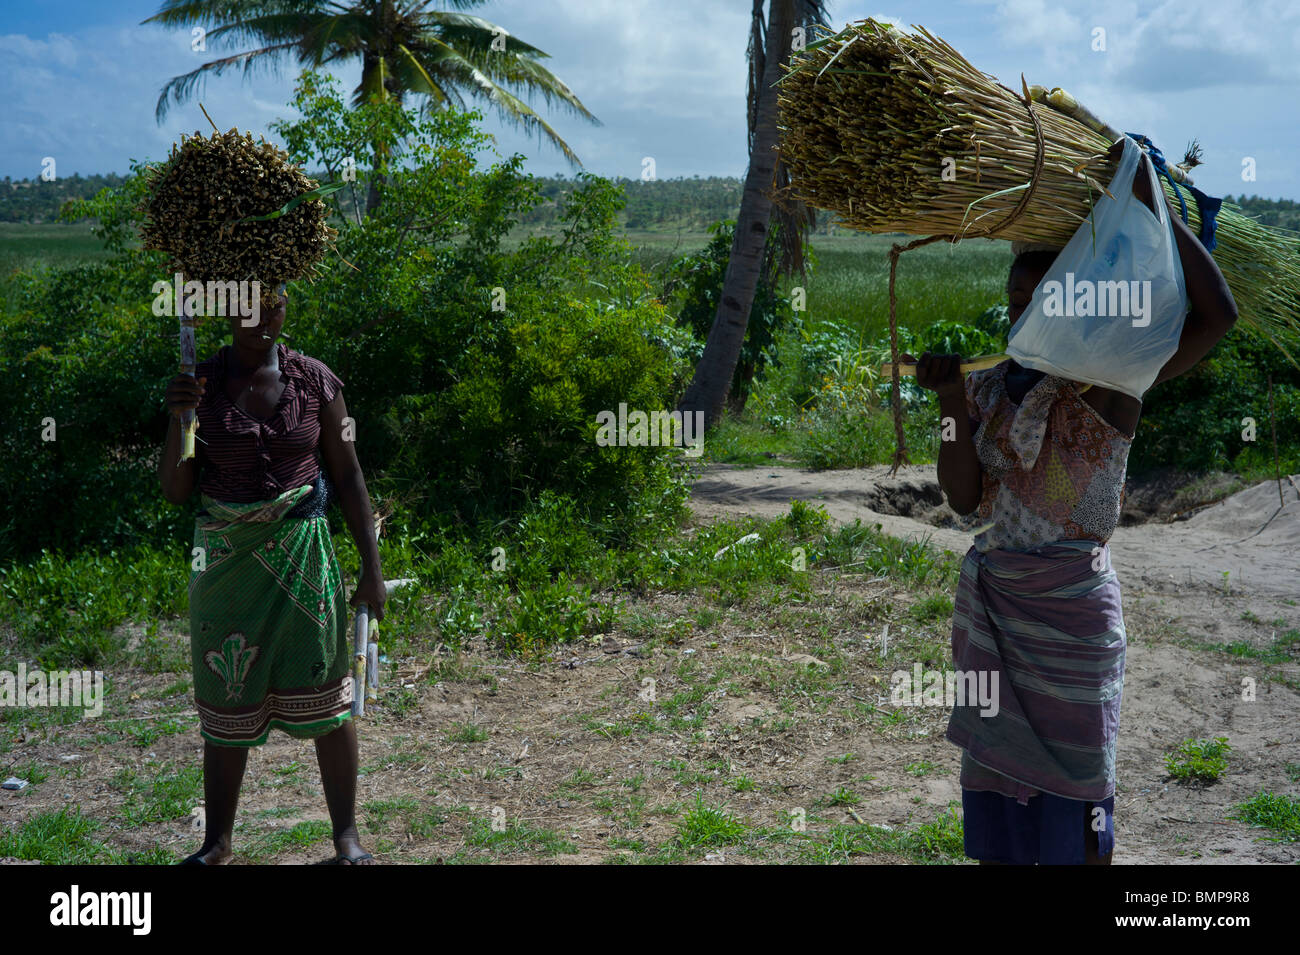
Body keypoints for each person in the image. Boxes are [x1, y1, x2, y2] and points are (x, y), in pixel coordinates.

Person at [905, 143, 1237, 864]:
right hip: (1004, 613)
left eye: (1041, 298)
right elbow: (963, 500)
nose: (1023, 315)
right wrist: (948, 402)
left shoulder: (1111, 383)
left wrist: (1143, 201)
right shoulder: (989, 392)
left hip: (1072, 625)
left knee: (1078, 808)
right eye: (1015, 299)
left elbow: (1218, 313)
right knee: (1001, 802)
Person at [159, 284, 387, 865]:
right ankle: (217, 843)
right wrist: (180, 417)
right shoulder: (199, 383)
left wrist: (372, 569)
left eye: (275, 305)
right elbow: (176, 489)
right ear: (229, 310)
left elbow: (349, 474)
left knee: (330, 694)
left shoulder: (315, 381)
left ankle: (346, 838)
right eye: (250, 307)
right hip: (225, 560)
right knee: (225, 694)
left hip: (302, 555)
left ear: (287, 309)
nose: (263, 318)